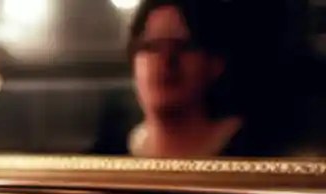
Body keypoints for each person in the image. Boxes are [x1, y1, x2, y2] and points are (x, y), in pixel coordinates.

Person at [92, 0, 280, 157]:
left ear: (215, 63)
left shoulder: (254, 156)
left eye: (183, 47)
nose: (165, 61)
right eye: (151, 47)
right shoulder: (109, 154)